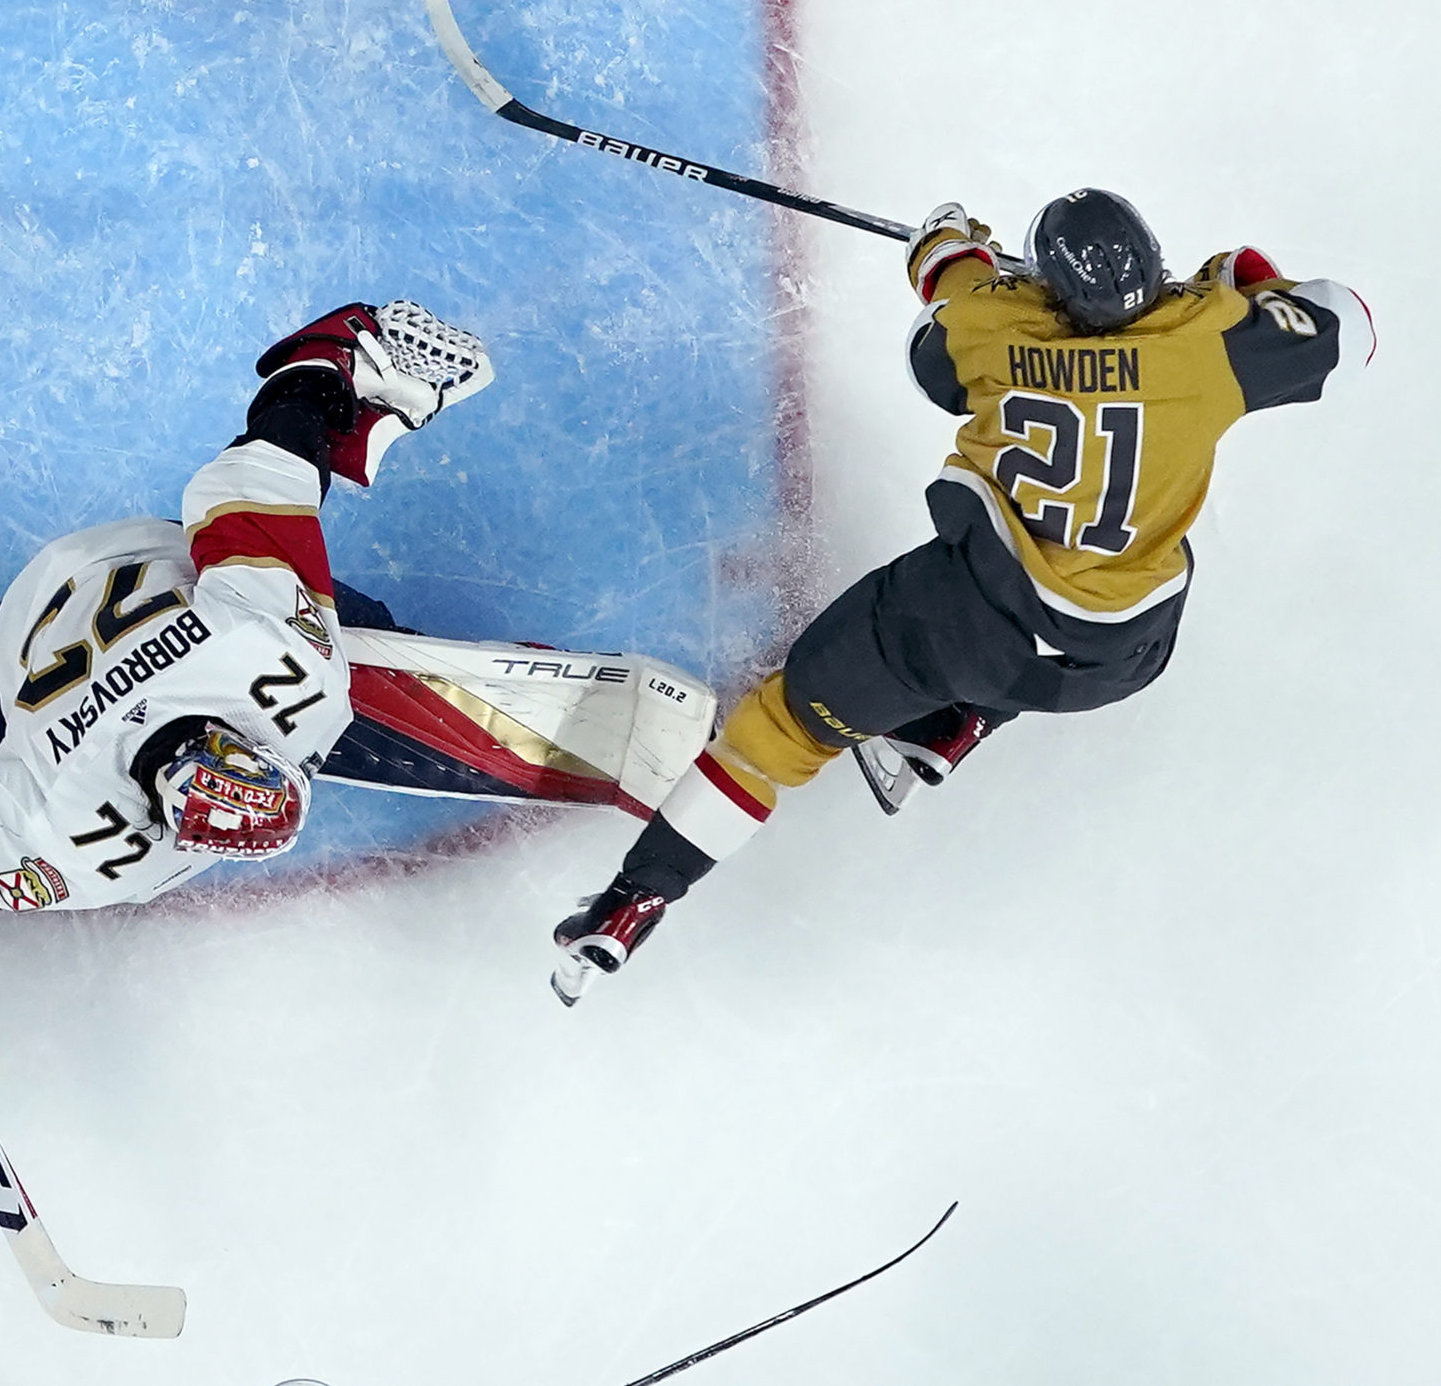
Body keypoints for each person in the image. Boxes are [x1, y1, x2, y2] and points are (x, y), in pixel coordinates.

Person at [549, 190, 1375, 1005]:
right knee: (1122, 559)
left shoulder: (993, 323)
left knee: (782, 729)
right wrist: (1244, 278)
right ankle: (955, 724)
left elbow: (934, 326)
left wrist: (953, 243)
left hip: (962, 631)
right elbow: (1351, 321)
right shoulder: (1212, 343)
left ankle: (635, 902)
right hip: (1118, 656)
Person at [0, 299, 493, 1098]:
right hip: (25, 649)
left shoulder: (264, 657)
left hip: (117, 577)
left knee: (297, 582)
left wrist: (327, 374)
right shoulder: (59, 815)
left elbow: (264, 460)